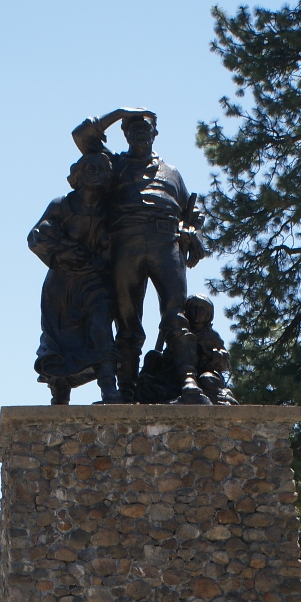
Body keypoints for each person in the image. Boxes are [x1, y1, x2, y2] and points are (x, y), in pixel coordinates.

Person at [71, 109, 206, 401]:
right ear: (125, 133)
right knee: (127, 320)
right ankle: (127, 388)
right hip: (125, 244)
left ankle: (188, 381)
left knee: (176, 314)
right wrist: (120, 112)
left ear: (155, 133)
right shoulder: (114, 165)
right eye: (133, 127)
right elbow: (81, 136)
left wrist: (193, 230)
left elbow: (192, 209)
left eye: (145, 127)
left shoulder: (172, 172)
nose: (140, 132)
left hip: (165, 243)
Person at [27, 151, 119, 404]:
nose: (96, 173)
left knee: (100, 327)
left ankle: (109, 389)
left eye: (102, 169)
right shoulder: (61, 205)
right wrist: (64, 251)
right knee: (58, 338)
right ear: (77, 175)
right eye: (90, 168)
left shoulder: (112, 209)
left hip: (96, 281)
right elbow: (35, 237)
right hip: (62, 283)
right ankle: (59, 392)